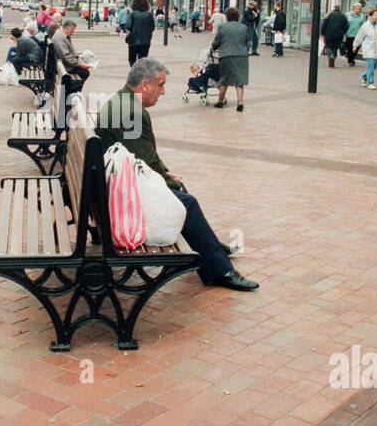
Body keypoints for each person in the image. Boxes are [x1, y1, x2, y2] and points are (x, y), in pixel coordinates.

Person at [96, 58, 258, 292]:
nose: (163, 92)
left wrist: (168, 176)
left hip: (110, 183)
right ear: (144, 85)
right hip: (119, 193)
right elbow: (146, 162)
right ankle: (220, 270)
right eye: (160, 85)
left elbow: (143, 156)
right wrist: (169, 180)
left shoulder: (123, 101)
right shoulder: (131, 112)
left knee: (180, 191)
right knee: (186, 201)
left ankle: (210, 248)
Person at [211, 6, 251, 111]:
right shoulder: (244, 27)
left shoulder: (222, 27)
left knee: (224, 79)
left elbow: (217, 41)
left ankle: (220, 102)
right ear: (238, 17)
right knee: (240, 80)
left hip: (226, 56)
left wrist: (213, 47)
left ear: (227, 17)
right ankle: (240, 103)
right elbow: (246, 42)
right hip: (241, 56)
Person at [51, 20, 92, 90]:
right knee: (85, 73)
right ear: (66, 28)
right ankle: (73, 91)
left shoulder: (62, 36)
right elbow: (66, 57)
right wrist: (80, 64)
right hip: (64, 66)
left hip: (62, 64)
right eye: (71, 31)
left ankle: (74, 91)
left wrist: (77, 53)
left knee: (84, 70)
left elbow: (67, 51)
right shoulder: (60, 39)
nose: (72, 33)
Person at [353, 8, 377, 89]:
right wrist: (355, 45)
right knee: (371, 66)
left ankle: (364, 77)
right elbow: (359, 36)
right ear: (370, 16)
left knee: (374, 66)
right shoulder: (365, 26)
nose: (376, 16)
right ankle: (370, 83)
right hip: (368, 48)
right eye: (375, 15)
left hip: (376, 48)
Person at [126, 0, 154, 65]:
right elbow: (152, 27)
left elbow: (128, 26)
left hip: (133, 41)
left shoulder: (132, 14)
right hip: (146, 41)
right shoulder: (149, 14)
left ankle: (134, 72)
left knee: (132, 59)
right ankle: (140, 72)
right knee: (143, 60)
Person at [321, 3, 348, 67]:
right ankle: (332, 61)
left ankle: (331, 56)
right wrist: (343, 32)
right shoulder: (343, 15)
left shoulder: (329, 14)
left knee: (328, 46)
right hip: (339, 35)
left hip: (329, 34)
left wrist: (322, 33)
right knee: (335, 48)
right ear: (339, 7)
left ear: (334, 7)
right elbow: (347, 25)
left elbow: (324, 24)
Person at [344, 2, 364, 66]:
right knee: (349, 48)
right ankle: (350, 59)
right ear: (353, 9)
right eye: (356, 9)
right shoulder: (348, 15)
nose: (357, 10)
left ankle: (352, 58)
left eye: (359, 9)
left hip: (358, 35)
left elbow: (363, 25)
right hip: (349, 34)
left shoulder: (361, 16)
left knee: (357, 48)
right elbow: (345, 24)